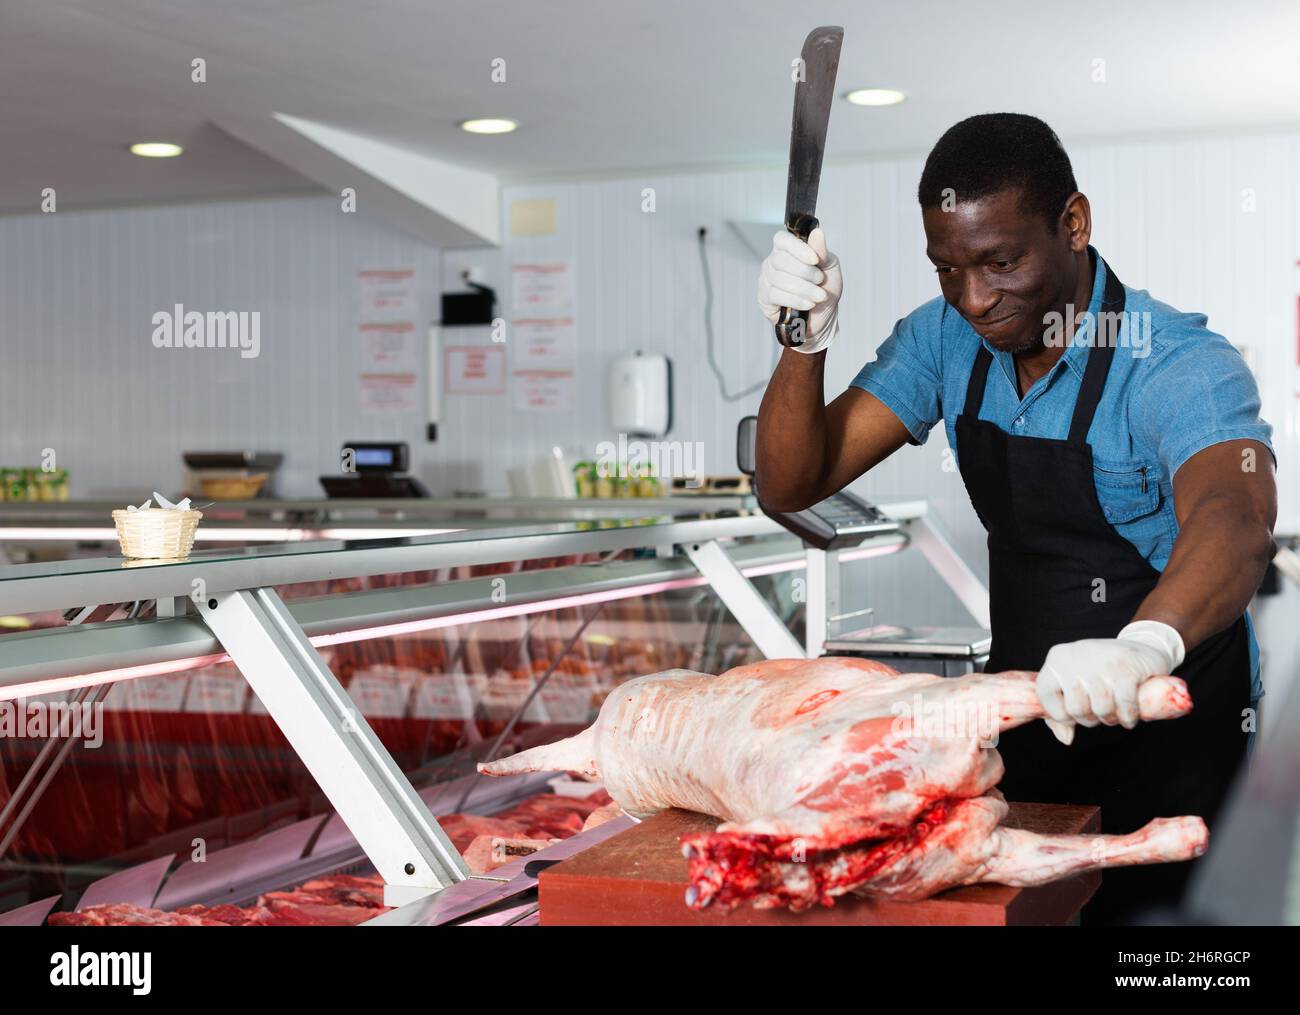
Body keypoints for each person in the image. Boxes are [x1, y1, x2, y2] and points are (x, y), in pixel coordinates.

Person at [754, 112, 1276, 923]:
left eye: (1000, 261)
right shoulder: (944, 340)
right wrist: (802, 340)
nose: (974, 298)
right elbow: (793, 481)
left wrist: (1144, 645)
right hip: (1031, 720)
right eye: (947, 269)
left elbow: (1235, 514)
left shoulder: (1174, 360)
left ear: (1073, 223)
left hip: (1177, 733)